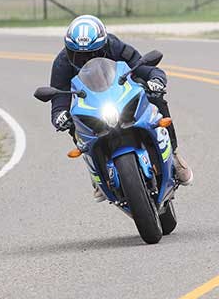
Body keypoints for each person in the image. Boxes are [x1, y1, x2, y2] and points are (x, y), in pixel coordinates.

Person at [49, 15, 194, 201]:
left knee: (155, 97)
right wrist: (59, 115)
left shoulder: (115, 46)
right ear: (68, 50)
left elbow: (143, 66)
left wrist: (156, 79)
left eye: (92, 54)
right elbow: (58, 97)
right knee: (72, 121)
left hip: (121, 94)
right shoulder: (62, 63)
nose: (85, 59)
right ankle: (97, 174)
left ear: (103, 45)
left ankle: (173, 154)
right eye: (78, 54)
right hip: (91, 105)